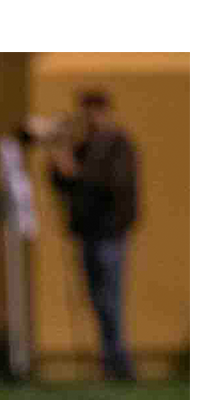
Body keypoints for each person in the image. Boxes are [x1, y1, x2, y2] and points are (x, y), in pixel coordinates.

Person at [49, 89, 139, 381]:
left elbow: (113, 183)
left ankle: (118, 361)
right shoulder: (82, 146)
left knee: (109, 297)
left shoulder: (119, 145)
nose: (90, 118)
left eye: (94, 111)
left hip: (110, 231)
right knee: (97, 297)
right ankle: (109, 359)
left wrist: (75, 172)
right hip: (87, 232)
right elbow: (62, 183)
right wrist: (58, 156)